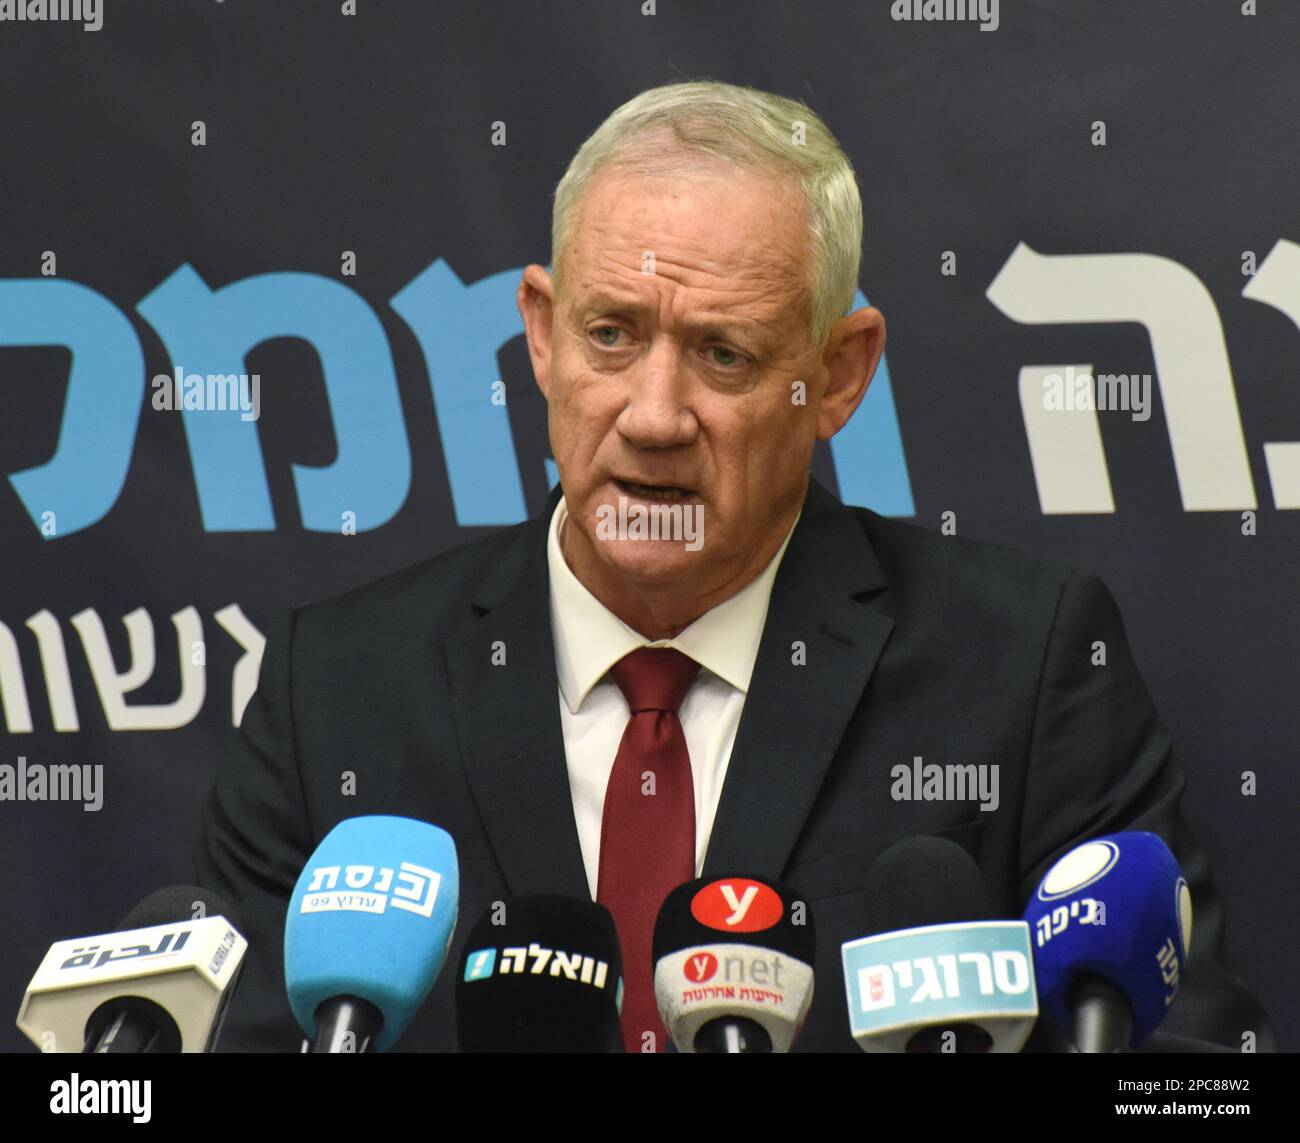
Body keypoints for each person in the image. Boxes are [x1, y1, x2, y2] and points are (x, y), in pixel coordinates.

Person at [195, 80, 1272, 1052]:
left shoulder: (1024, 667)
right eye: (610, 334)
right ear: (539, 332)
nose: (654, 418)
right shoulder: (334, 687)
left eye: (724, 355)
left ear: (838, 376)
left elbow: (1189, 1068)